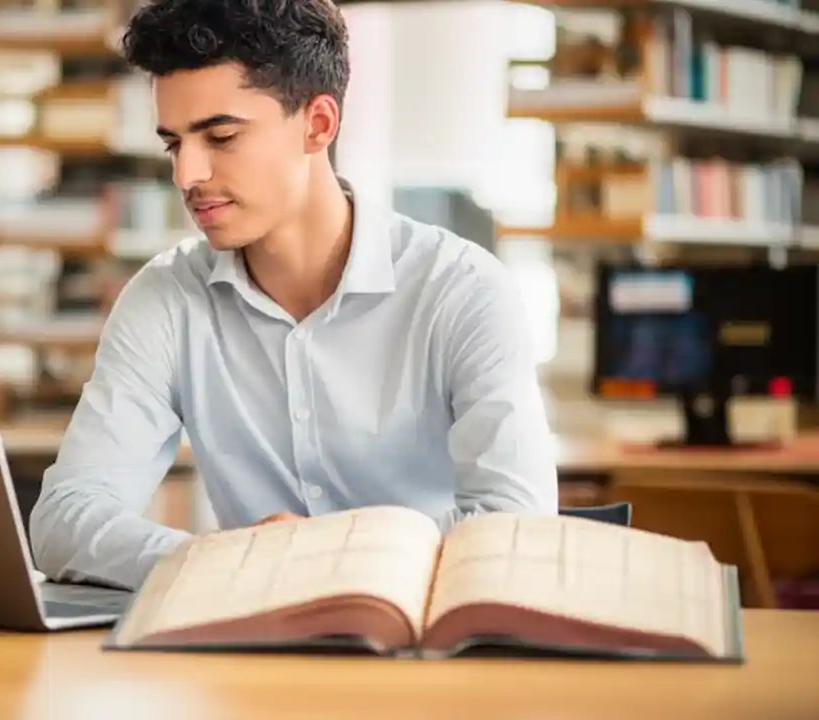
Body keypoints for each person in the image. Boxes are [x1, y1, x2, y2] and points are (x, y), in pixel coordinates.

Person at [29, 0, 557, 590]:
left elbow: (518, 528)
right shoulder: (166, 298)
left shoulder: (461, 291)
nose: (187, 175)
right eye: (174, 144)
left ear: (319, 124)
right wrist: (224, 562)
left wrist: (322, 560)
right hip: (248, 652)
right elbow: (64, 519)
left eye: (221, 136)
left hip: (427, 652)